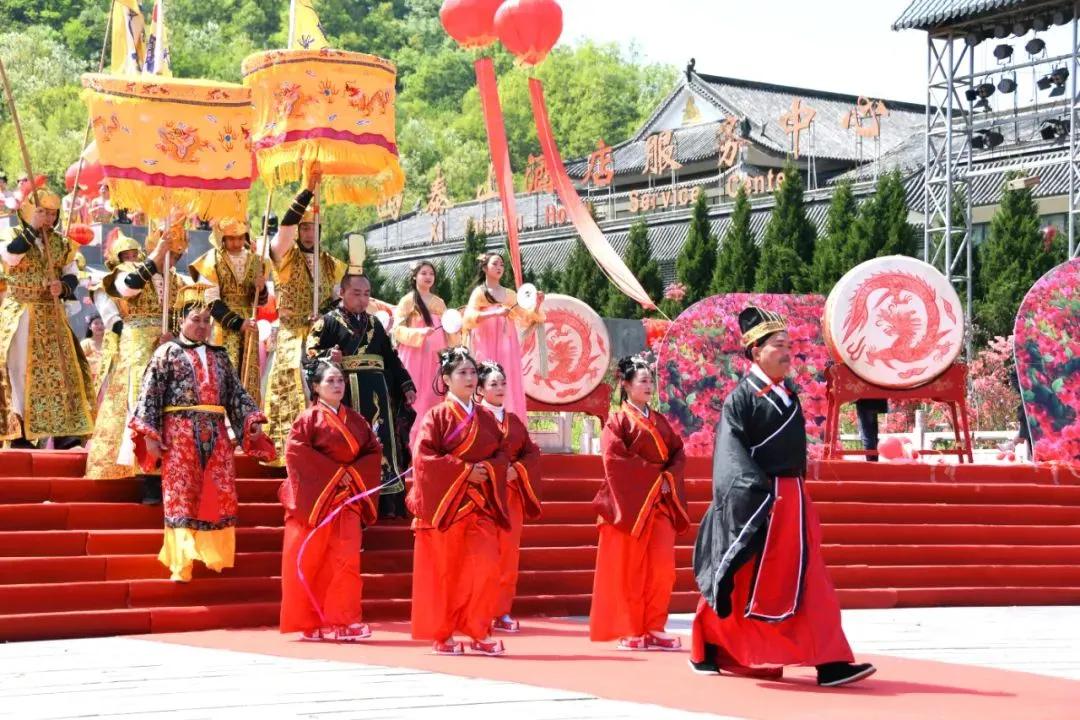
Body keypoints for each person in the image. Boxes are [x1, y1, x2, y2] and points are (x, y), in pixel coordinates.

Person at [691, 306, 875, 687]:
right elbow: (730, 454)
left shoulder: (787, 394)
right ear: (755, 352)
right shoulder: (740, 399)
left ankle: (831, 660)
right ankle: (707, 645)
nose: (787, 352)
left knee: (811, 577)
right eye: (778, 345)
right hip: (758, 499)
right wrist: (753, 495)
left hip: (793, 499)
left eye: (789, 345)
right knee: (739, 575)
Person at [129, 284, 275, 583]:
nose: (201, 326)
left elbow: (236, 394)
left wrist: (251, 419)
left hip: (216, 434)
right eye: (195, 319)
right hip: (179, 432)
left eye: (207, 321)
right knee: (182, 492)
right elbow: (150, 396)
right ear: (180, 321)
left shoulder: (220, 356)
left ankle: (212, 552)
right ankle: (181, 561)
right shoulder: (165, 353)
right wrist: (150, 436)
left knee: (218, 490)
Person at [408, 347, 510, 656]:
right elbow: (424, 458)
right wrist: (466, 472)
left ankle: (479, 630)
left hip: (479, 506)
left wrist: (488, 471)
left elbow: (501, 454)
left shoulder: (485, 419)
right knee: (445, 572)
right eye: (462, 373)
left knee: (485, 570)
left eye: (472, 372)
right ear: (447, 379)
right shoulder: (436, 416)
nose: (469, 377)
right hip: (447, 508)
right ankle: (443, 633)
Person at [590, 354, 689, 651]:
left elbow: (677, 453)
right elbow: (615, 460)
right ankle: (631, 627)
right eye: (642, 380)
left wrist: (667, 480)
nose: (648, 385)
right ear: (626, 385)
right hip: (628, 505)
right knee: (629, 569)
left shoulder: (659, 421)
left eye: (650, 380)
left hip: (659, 503)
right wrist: (654, 481)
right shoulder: (617, 421)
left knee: (662, 568)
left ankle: (655, 626)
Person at [279, 360, 383, 642]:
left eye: (340, 380)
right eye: (330, 381)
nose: (338, 385)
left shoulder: (357, 420)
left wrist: (353, 476)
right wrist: (338, 475)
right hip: (317, 501)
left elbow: (373, 452)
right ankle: (310, 621)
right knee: (313, 560)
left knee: (346, 561)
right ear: (316, 387)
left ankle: (345, 620)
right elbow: (296, 455)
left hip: (346, 501)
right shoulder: (307, 420)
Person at [85, 228, 185, 505]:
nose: (173, 257)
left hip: (169, 344)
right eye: (171, 250)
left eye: (177, 253)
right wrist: (155, 257)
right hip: (138, 344)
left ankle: (166, 471)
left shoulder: (174, 278)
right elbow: (127, 287)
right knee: (140, 402)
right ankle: (147, 474)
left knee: (169, 406)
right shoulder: (129, 269)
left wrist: (176, 336)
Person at [309, 272, 416, 519]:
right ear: (341, 293)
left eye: (366, 294)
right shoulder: (327, 322)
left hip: (379, 392)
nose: (362, 299)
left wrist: (406, 385)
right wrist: (328, 356)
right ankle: (349, 498)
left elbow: (391, 358)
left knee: (382, 444)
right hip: (346, 393)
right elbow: (310, 353)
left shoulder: (375, 324)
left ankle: (386, 503)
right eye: (356, 293)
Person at [262, 164, 347, 466]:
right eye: (305, 227)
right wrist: (308, 191)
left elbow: (339, 299)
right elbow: (284, 228)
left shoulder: (332, 263)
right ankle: (287, 453)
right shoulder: (284, 255)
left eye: (315, 227)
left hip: (319, 333)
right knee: (290, 384)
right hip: (289, 332)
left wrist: (326, 314)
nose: (310, 232)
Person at [0, 186, 94, 448]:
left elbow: (72, 273)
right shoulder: (12, 233)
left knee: (64, 371)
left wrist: (62, 287)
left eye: (54, 214)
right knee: (20, 373)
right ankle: (20, 433)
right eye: (45, 213)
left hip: (51, 314)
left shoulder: (59, 242)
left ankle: (66, 435)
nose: (50, 219)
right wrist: (32, 228)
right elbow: (11, 256)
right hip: (22, 313)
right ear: (31, 210)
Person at [476, 360, 542, 634]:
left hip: (512, 495)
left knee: (508, 555)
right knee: (484, 555)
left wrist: (518, 470)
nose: (500, 388)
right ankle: (479, 609)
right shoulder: (475, 419)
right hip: (484, 497)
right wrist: (499, 471)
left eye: (503, 383)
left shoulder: (513, 421)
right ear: (480, 389)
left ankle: (502, 611)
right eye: (493, 384)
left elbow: (531, 452)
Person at [189, 218, 268, 403]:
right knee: (223, 374)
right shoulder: (211, 260)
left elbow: (260, 301)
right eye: (231, 238)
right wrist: (238, 323)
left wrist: (262, 288)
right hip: (223, 327)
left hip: (250, 324)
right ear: (221, 238)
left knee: (249, 377)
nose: (237, 243)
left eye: (241, 238)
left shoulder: (257, 261)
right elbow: (211, 301)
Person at [463, 253, 544, 421]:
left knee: (508, 377)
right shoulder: (479, 293)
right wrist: (494, 313)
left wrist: (537, 305)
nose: (499, 267)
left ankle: (512, 423)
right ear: (485, 268)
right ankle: (483, 423)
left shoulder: (510, 294)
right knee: (486, 376)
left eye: (501, 264)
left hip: (507, 343)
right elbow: (469, 317)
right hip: (485, 341)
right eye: (495, 264)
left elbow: (525, 317)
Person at [394, 261, 459, 449]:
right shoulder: (408, 301)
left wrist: (456, 331)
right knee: (415, 399)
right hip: (414, 356)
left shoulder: (439, 302)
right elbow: (397, 330)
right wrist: (418, 334)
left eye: (431, 273)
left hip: (435, 358)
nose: (428, 277)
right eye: (424, 273)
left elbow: (449, 329)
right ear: (414, 276)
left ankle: (433, 443)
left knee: (434, 397)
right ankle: (411, 446)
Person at [81, 316, 106, 401]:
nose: (100, 326)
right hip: (93, 380)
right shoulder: (86, 343)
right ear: (89, 327)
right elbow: (81, 361)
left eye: (102, 323)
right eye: (96, 323)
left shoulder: (111, 341)